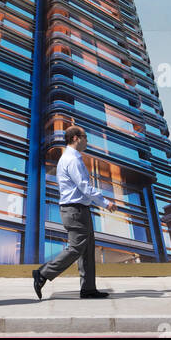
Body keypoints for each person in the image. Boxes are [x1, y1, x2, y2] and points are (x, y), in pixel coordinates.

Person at [32, 124, 113, 300]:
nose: (87, 140)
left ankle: (88, 289)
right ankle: (43, 274)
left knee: (87, 250)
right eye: (85, 137)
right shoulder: (72, 159)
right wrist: (106, 203)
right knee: (76, 248)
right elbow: (84, 187)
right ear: (76, 138)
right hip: (75, 210)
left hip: (79, 209)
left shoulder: (72, 157)